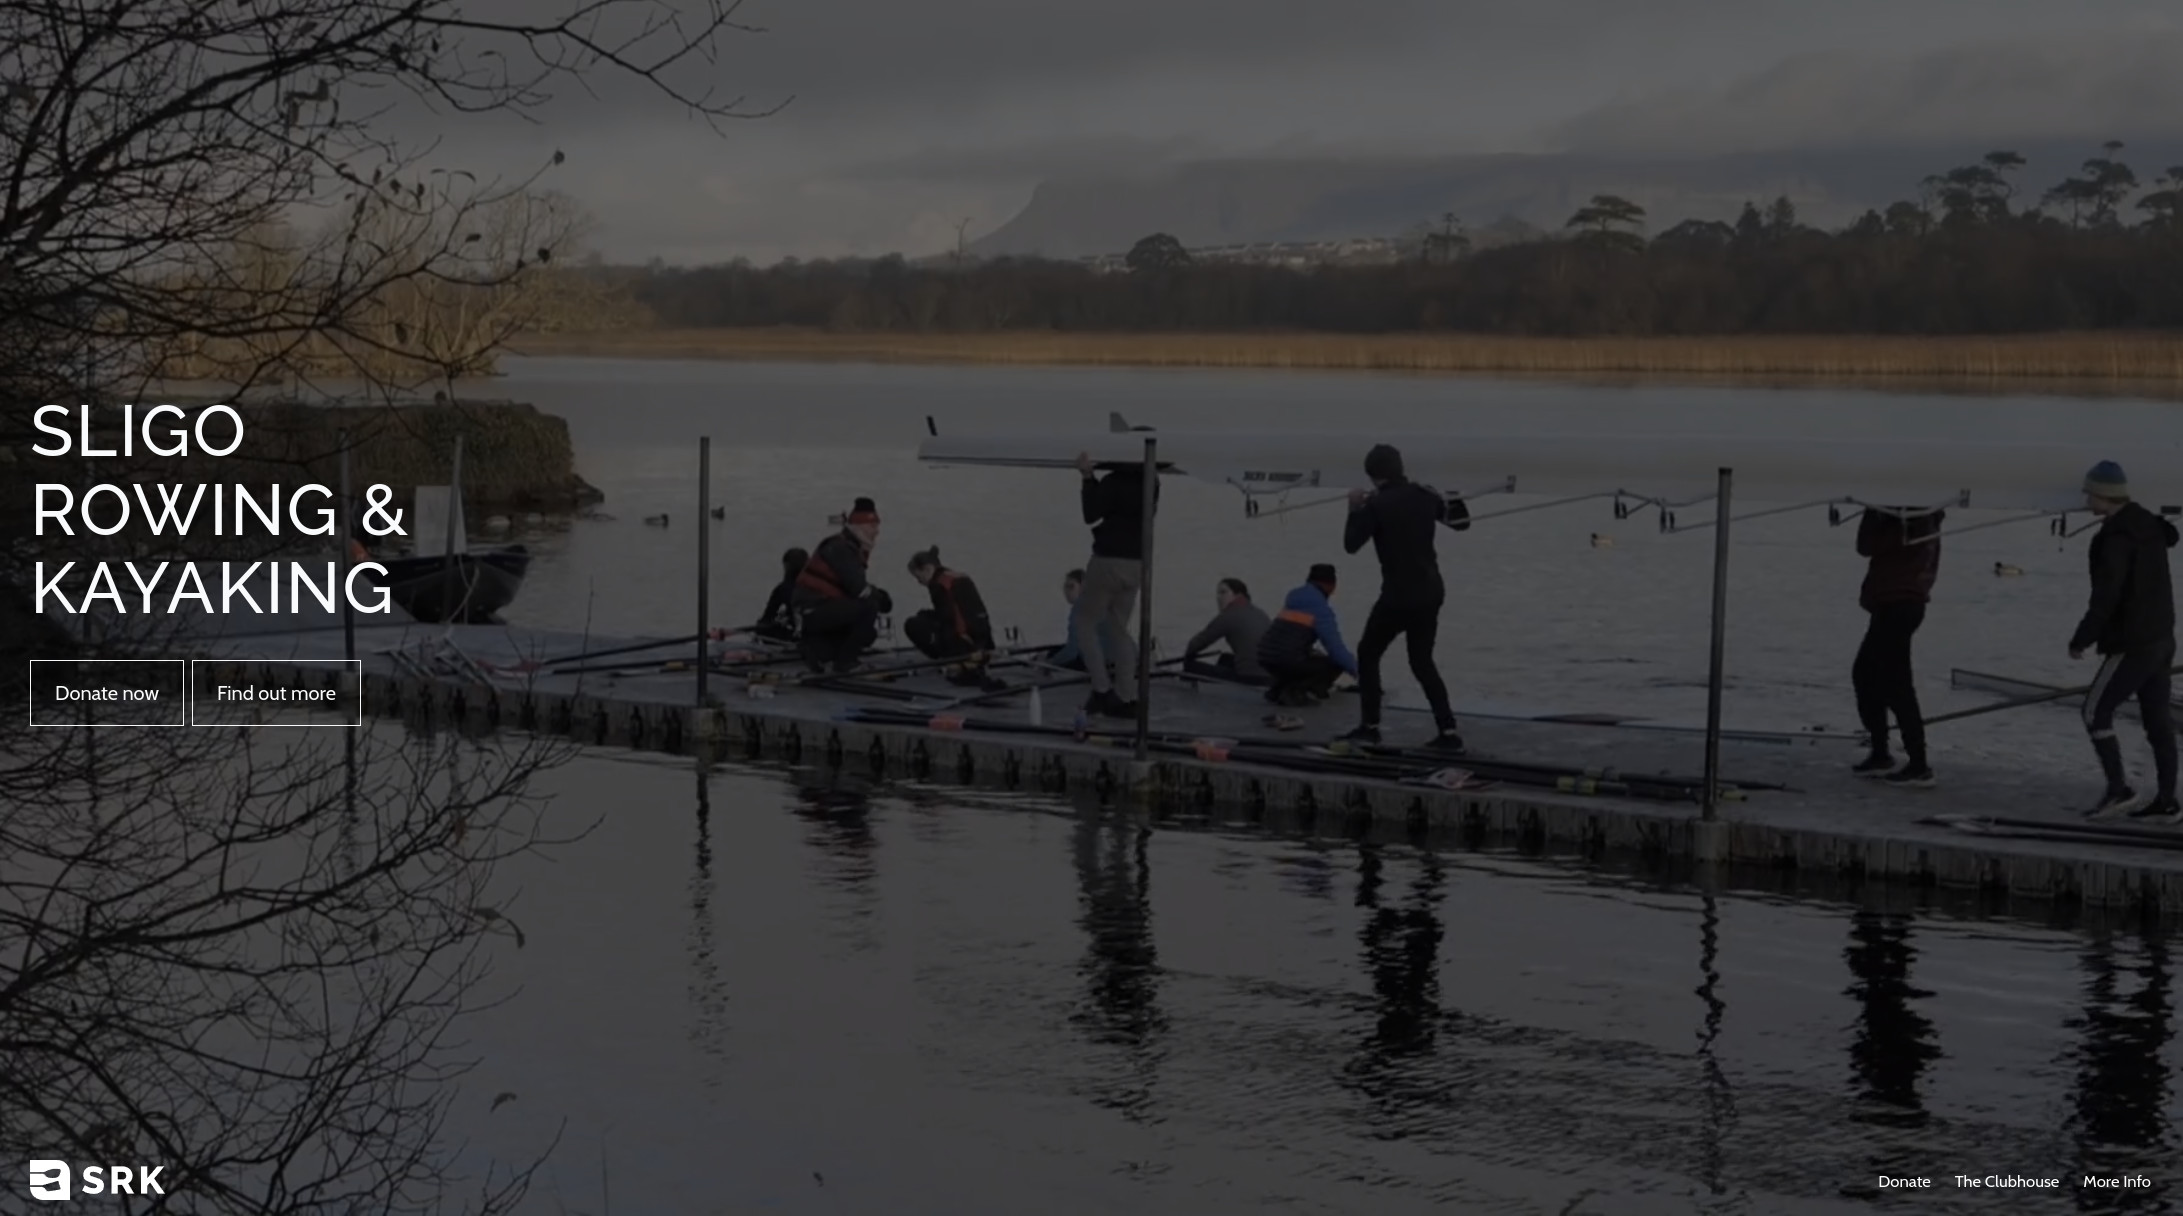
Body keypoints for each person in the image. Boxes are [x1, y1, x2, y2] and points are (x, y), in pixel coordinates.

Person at [2069, 461, 2181, 823]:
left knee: (2093, 711)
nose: (2086, 499)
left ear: (2104, 496)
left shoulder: (2116, 539)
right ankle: (2166, 800)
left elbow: (2107, 596)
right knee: (2158, 722)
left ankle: (2120, 789)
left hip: (2133, 643)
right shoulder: (2148, 525)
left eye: (2090, 493)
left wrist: (2082, 638)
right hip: (2162, 638)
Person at [1339, 444, 1467, 750]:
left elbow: (1351, 544)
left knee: (1368, 654)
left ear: (1372, 475)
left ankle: (1370, 727)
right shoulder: (1425, 495)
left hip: (1399, 595)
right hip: (1432, 591)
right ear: (1400, 468)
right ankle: (1448, 732)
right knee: (1422, 661)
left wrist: (1354, 508)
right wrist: (1455, 496)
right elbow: (1461, 524)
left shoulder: (1377, 505)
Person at [1850, 507, 1943, 787]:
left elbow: (1866, 545)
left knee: (1896, 683)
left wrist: (1873, 513)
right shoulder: (1916, 518)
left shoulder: (1911, 520)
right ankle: (1882, 751)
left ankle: (1918, 763)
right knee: (1868, 674)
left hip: (1899, 603)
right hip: (1896, 603)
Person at [1074, 451, 1158, 718]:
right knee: (1118, 626)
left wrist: (1088, 477)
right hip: (1138, 562)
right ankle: (1127, 695)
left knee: (1084, 622)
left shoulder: (1112, 481)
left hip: (1108, 559)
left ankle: (1101, 689)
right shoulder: (1152, 480)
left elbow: (1091, 514)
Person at [792, 498, 891, 673]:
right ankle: (846, 663)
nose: (876, 532)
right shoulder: (840, 548)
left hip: (820, 608)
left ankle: (819, 651)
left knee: (868, 633)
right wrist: (881, 598)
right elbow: (859, 589)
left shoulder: (851, 547)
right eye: (872, 527)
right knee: (869, 607)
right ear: (857, 527)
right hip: (813, 609)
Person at [1256, 564, 1358, 706]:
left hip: (1265, 655)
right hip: (1286, 659)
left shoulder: (1293, 600)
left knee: (1303, 657)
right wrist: (1358, 671)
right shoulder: (1321, 609)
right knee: (1333, 664)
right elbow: (1335, 649)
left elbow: (1289, 639)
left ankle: (1277, 690)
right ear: (1332, 586)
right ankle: (1298, 693)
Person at [904, 546, 997, 681]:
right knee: (923, 615)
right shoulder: (955, 576)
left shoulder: (938, 585)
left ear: (928, 569)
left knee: (912, 624)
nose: (919, 583)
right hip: (983, 641)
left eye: (919, 577)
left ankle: (951, 660)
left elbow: (949, 620)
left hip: (965, 645)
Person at [1181, 578, 1272, 684]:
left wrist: (1188, 657)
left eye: (1223, 592)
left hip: (1249, 678)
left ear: (1238, 595)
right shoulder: (1260, 613)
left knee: (1191, 666)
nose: (1218, 597)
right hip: (1270, 677)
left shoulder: (1229, 615)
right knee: (1225, 659)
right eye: (1218, 593)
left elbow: (1196, 643)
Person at [755, 547, 808, 643]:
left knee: (764, 628)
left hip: (793, 636)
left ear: (786, 566)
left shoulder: (783, 589)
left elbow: (767, 618)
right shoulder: (818, 586)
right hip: (811, 635)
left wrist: (760, 627)